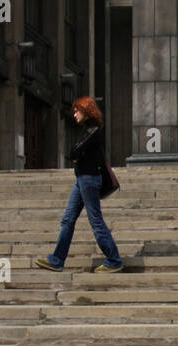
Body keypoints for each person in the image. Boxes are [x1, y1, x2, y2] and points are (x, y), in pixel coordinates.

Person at [34, 95, 124, 274]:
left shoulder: (94, 131)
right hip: (82, 179)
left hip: (89, 179)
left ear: (87, 111)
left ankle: (114, 259)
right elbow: (74, 153)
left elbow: (73, 152)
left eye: (77, 111)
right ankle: (57, 260)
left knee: (95, 220)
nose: (74, 114)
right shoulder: (87, 131)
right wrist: (77, 155)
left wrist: (77, 155)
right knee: (68, 219)